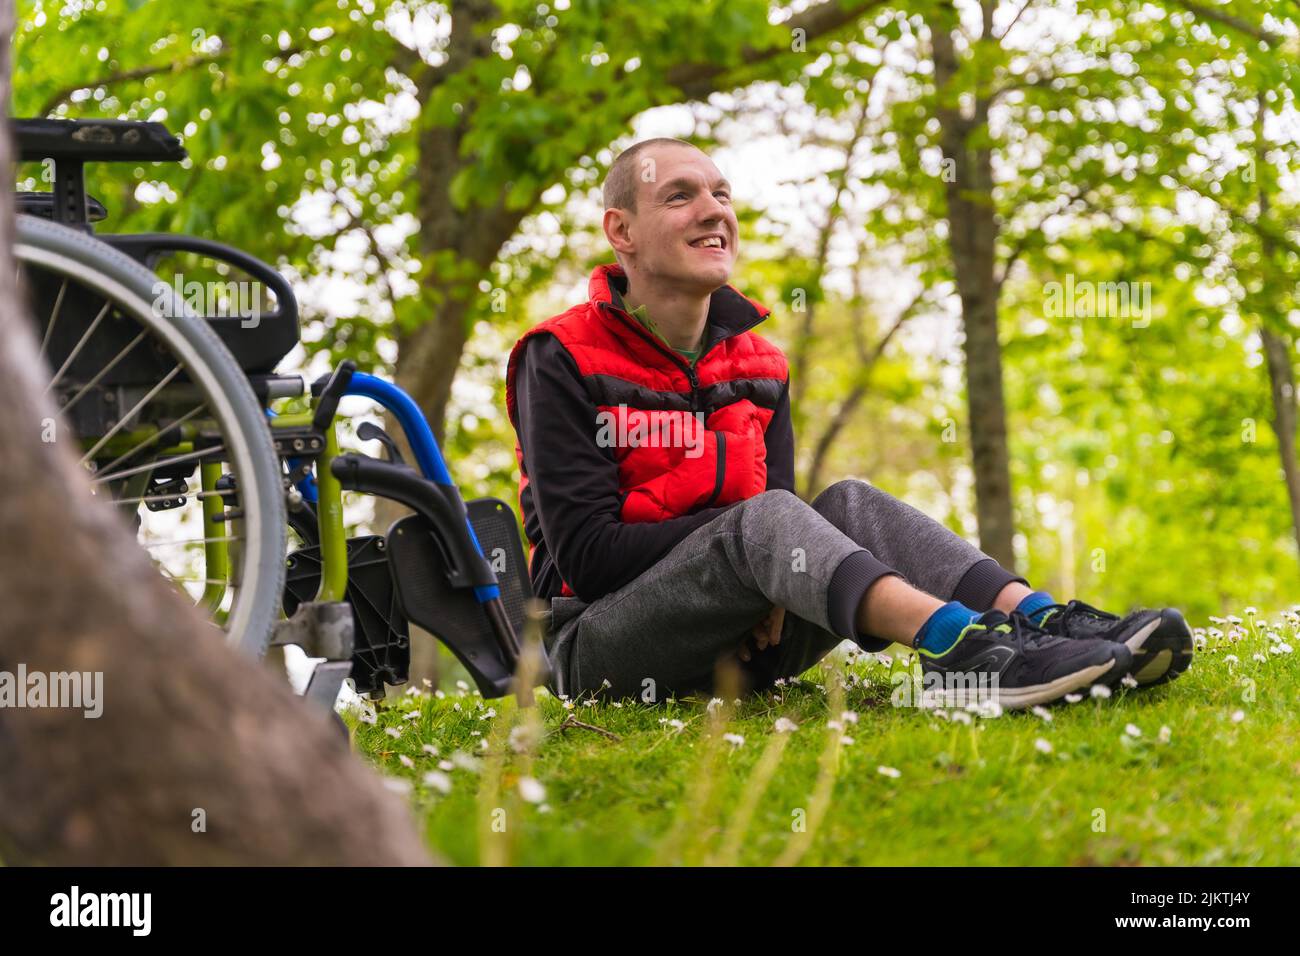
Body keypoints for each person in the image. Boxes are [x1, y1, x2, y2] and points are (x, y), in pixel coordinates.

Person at [504, 137, 1192, 709]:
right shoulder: (558, 356)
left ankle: (1039, 621)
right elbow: (589, 557)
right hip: (602, 650)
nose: (713, 210)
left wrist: (768, 573)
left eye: (721, 194)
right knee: (774, 517)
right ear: (620, 230)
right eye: (680, 195)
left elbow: (777, 514)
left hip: (746, 648)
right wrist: (756, 554)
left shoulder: (761, 364)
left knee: (849, 504)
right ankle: (962, 652)